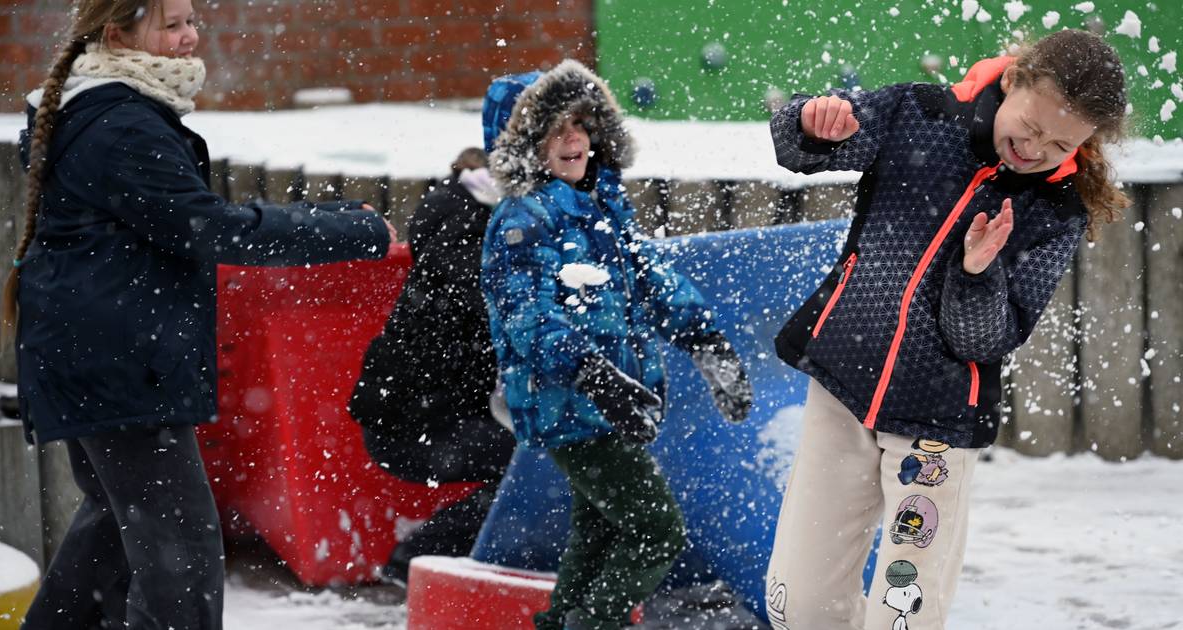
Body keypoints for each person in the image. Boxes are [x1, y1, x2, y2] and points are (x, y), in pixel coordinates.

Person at [3, 1, 394, 628]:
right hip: (118, 364)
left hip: (93, 354)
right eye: (172, 25)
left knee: (113, 534)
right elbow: (206, 227)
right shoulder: (120, 124)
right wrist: (351, 230)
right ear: (118, 34)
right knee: (179, 555)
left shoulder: (98, 108)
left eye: (192, 21)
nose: (190, 38)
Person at [763, 30, 1128, 630]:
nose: (1037, 149)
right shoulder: (918, 113)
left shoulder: (1055, 209)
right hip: (843, 387)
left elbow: (985, 342)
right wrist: (808, 122)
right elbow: (807, 150)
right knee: (799, 604)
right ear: (1012, 81)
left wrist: (976, 274)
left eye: (1062, 142)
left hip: (935, 429)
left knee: (901, 614)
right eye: (1033, 127)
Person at [480, 59, 754, 630]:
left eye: (581, 123)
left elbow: (652, 284)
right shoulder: (522, 221)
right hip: (569, 405)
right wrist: (594, 374)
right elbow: (529, 320)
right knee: (657, 529)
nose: (573, 138)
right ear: (524, 144)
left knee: (601, 531)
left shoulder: (600, 211)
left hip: (608, 404)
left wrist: (706, 343)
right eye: (555, 128)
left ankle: (565, 621)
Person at [348, 147, 515, 583]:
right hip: (412, 427)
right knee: (547, 459)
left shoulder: (468, 213)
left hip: (421, 414)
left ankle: (424, 558)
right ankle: (416, 560)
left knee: (552, 454)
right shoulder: (469, 233)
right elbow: (480, 305)